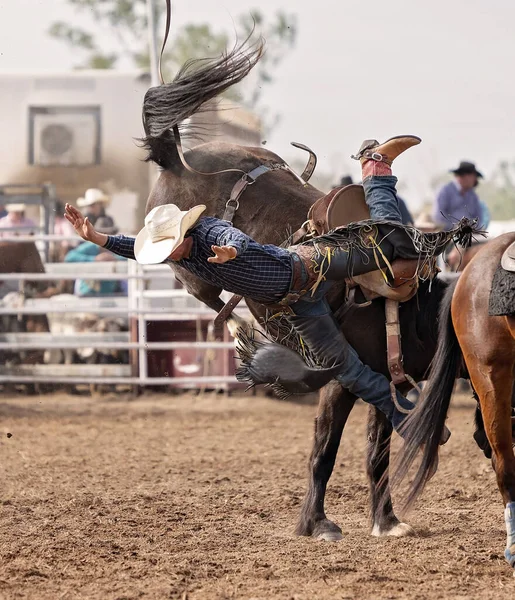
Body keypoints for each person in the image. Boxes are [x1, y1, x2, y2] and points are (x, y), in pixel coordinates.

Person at [65, 135, 468, 437]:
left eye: (168, 247)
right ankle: (411, 421)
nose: (169, 255)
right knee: (347, 370)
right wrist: (98, 238)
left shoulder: (210, 229)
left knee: (389, 253)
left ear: (183, 233)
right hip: (293, 307)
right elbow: (133, 247)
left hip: (309, 265)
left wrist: (232, 253)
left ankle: (375, 169)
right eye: (165, 251)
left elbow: (235, 236)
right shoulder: (182, 253)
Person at [65, 217, 127, 297]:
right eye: (102, 233)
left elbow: (129, 257)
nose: (105, 236)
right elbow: (69, 257)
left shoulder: (116, 247)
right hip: (87, 293)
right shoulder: (91, 246)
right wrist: (95, 259)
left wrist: (114, 258)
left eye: (109, 233)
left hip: (111, 294)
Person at [433, 161, 484, 230]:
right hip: (447, 235)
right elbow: (439, 216)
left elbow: (478, 218)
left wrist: (471, 228)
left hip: (468, 236)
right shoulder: (445, 191)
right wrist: (455, 228)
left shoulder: (473, 196)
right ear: (465, 176)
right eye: (473, 177)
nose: (475, 180)